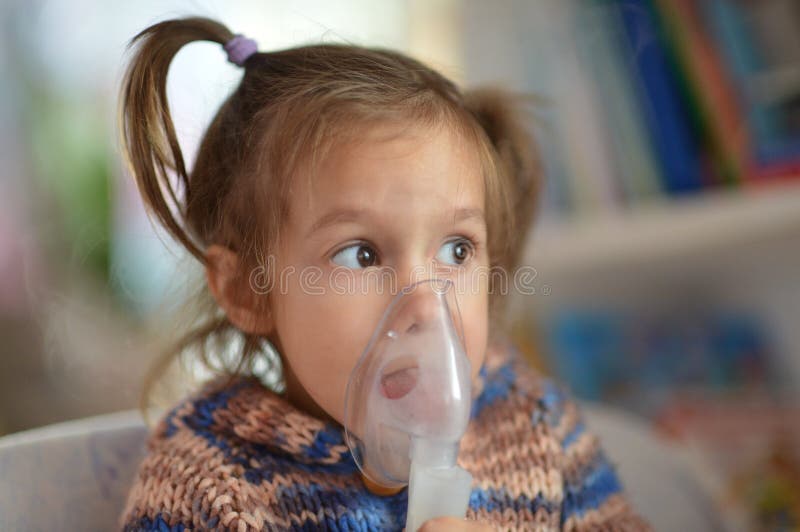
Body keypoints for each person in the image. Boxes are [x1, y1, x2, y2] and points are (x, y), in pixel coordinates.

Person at [117, 16, 650, 531]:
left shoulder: (537, 428)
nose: (424, 305)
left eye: (457, 250)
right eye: (361, 255)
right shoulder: (208, 486)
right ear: (245, 291)